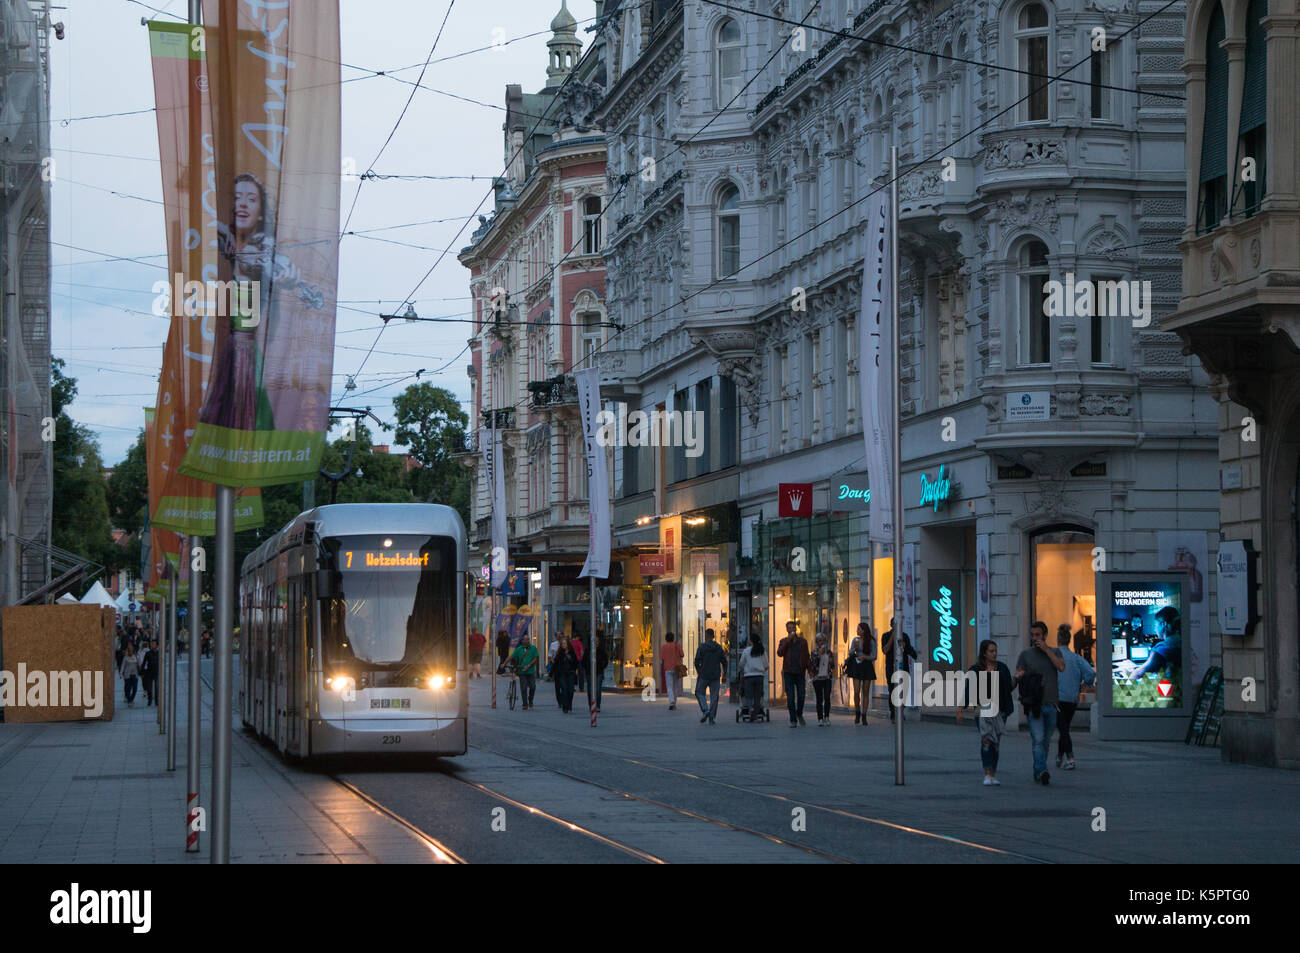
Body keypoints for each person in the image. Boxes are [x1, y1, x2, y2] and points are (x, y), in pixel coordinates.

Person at [957, 640, 1016, 785]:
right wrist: (960, 709)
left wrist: (1017, 679)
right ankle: (987, 773)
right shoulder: (976, 669)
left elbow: (1009, 688)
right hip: (981, 709)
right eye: (991, 651)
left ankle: (993, 773)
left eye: (995, 650)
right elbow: (968, 690)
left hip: (1000, 710)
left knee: (996, 742)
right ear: (984, 653)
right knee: (987, 740)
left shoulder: (1002, 668)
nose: (994, 654)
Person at [1016, 620, 1066, 785]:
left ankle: (1038, 770)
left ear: (1044, 635)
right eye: (1032, 635)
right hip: (1034, 704)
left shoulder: (1055, 651)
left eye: (1037, 635)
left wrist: (1046, 650)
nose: (1034, 638)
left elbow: (1061, 667)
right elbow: (1018, 675)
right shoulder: (1025, 655)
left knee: (1045, 741)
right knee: (1038, 738)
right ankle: (1043, 770)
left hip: (1052, 703)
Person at [1055, 622, 1095, 770]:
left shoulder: (1053, 656)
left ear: (1058, 639)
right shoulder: (1076, 658)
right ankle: (1059, 756)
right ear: (1069, 640)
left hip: (1057, 699)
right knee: (1064, 727)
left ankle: (1070, 758)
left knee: (1063, 729)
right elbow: (1090, 673)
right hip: (1072, 699)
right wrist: (1085, 684)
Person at [1130, 606, 1181, 680]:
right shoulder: (1180, 641)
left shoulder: (1162, 648)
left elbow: (1138, 673)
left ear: (1163, 624)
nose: (1155, 629)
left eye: (1155, 625)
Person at [881, 620, 917, 722]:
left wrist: (905, 646)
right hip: (891, 667)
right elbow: (885, 650)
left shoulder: (904, 636)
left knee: (903, 690)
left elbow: (912, 652)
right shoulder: (886, 636)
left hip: (903, 667)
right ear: (891, 625)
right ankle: (893, 714)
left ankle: (901, 712)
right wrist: (892, 637)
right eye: (895, 625)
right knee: (892, 690)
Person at [777, 620, 810, 727]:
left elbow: (806, 656)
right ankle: (793, 719)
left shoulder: (803, 642)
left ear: (796, 629)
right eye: (789, 628)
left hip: (800, 672)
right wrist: (787, 641)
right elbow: (780, 653)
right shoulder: (783, 641)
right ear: (787, 630)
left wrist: (810, 670)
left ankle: (799, 713)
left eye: (792, 628)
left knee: (801, 695)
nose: (791, 630)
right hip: (788, 672)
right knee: (790, 698)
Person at [693, 628, 727, 724]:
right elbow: (724, 662)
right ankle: (711, 718)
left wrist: (699, 671)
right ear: (713, 636)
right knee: (714, 697)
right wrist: (725, 673)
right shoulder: (718, 647)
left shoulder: (702, 647)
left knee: (699, 693)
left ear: (706, 635)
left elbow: (696, 661)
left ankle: (705, 710)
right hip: (715, 675)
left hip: (704, 674)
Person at [845, 622, 876, 725]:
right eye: (857, 629)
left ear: (864, 630)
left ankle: (864, 715)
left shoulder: (871, 641)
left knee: (866, 691)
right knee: (857, 691)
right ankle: (857, 712)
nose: (857, 631)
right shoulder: (855, 640)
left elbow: (874, 656)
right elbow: (850, 653)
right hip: (857, 666)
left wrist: (865, 657)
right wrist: (855, 648)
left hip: (867, 666)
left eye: (859, 629)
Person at [737, 632, 768, 721]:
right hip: (759, 676)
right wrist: (761, 670)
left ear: (751, 641)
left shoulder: (746, 651)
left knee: (749, 695)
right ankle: (756, 710)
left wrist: (741, 670)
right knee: (758, 695)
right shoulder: (762, 651)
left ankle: (750, 709)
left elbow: (741, 664)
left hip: (748, 676)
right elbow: (766, 665)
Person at [508, 633, 540, 709]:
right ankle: (525, 704)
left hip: (531, 671)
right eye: (525, 639)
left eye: (528, 639)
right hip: (522, 672)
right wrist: (503, 663)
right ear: (522, 641)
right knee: (523, 688)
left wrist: (528, 665)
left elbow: (536, 658)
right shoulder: (518, 649)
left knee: (532, 687)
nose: (527, 641)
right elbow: (511, 657)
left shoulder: (533, 648)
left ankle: (530, 700)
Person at [809, 632, 836, 726]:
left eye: (823, 640)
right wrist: (819, 655)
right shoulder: (814, 652)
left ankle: (827, 717)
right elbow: (813, 665)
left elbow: (833, 666)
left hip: (827, 677)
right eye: (819, 641)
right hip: (817, 678)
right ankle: (820, 718)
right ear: (817, 642)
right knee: (819, 699)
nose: (821, 642)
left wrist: (831, 662)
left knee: (827, 697)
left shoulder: (829, 652)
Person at [551, 635, 578, 713]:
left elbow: (576, 663)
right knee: (564, 689)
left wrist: (574, 670)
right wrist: (551, 674)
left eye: (565, 643)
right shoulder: (559, 653)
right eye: (562, 644)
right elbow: (555, 664)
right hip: (562, 674)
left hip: (571, 673)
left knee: (571, 690)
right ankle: (565, 706)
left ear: (568, 644)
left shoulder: (572, 653)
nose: (563, 645)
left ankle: (569, 704)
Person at [661, 632, 684, 710]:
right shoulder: (677, 645)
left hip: (667, 668)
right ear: (673, 638)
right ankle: (674, 703)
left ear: (666, 638)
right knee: (675, 686)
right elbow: (682, 654)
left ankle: (672, 701)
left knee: (669, 686)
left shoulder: (664, 647)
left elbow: (662, 658)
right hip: (677, 668)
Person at [587, 631, 609, 712]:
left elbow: (606, 660)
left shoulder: (601, 651)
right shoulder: (588, 650)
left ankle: (598, 705)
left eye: (597, 641)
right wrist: (587, 668)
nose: (596, 643)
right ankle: (591, 705)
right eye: (594, 641)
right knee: (590, 690)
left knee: (598, 689)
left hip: (599, 672)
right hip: (590, 672)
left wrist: (602, 667)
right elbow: (584, 661)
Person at [140, 639, 160, 707]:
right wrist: (142, 672)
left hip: (157, 672)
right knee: (149, 688)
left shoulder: (159, 653)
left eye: (154, 643)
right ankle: (150, 700)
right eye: (152, 643)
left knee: (157, 687)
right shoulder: (148, 653)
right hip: (149, 672)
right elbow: (144, 663)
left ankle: (157, 701)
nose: (152, 645)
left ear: (157, 645)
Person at [120, 643, 140, 708]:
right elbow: (123, 666)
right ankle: (129, 700)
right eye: (129, 650)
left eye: (131, 650)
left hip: (135, 674)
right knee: (128, 688)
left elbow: (139, 664)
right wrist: (121, 673)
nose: (130, 652)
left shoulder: (136, 656)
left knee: (135, 688)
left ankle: (131, 699)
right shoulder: (125, 658)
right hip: (127, 675)